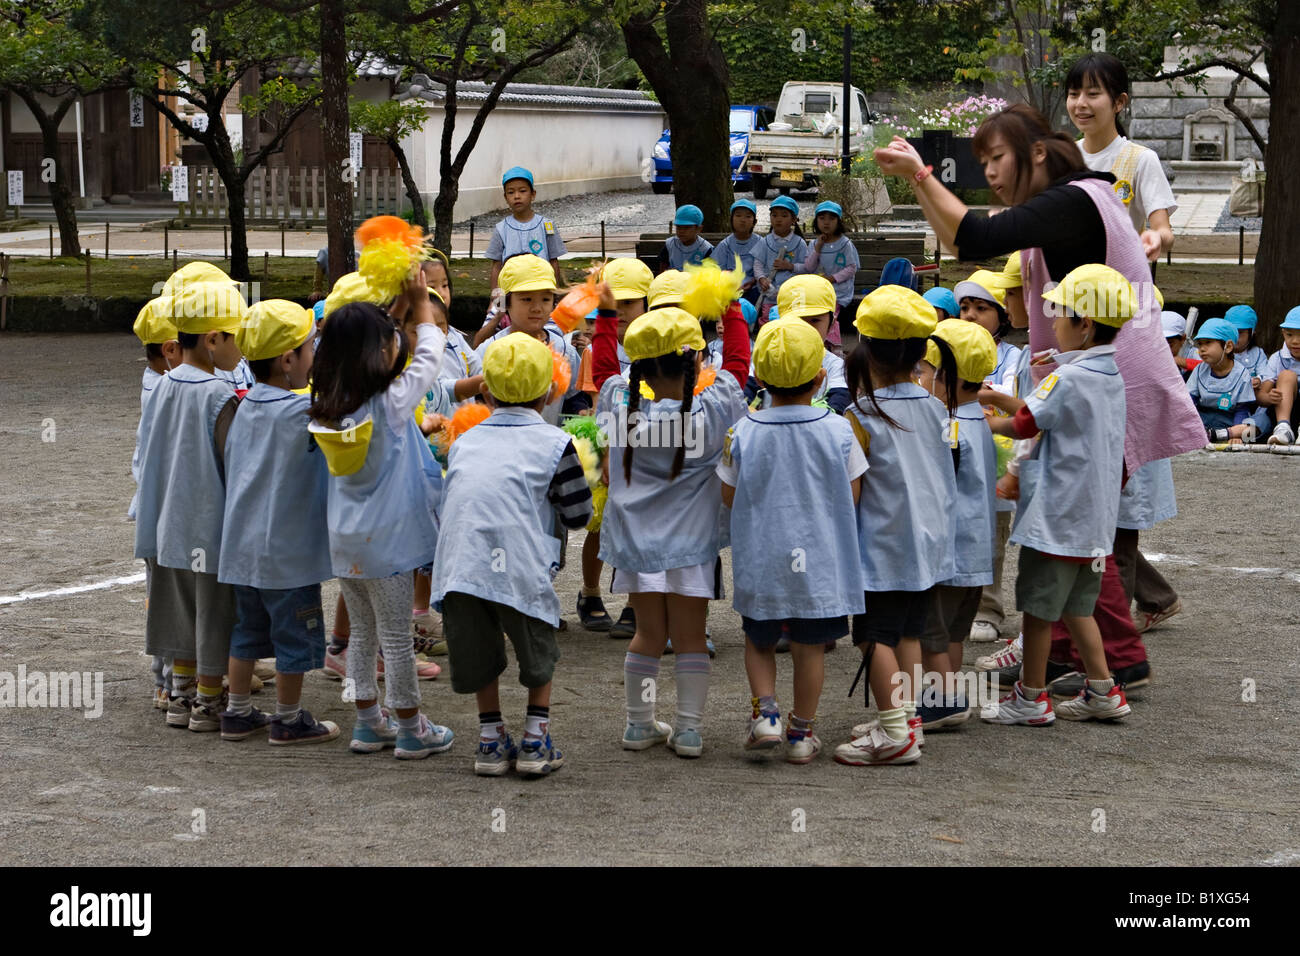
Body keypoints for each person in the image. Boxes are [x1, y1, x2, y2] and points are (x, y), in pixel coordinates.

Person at [874, 103, 1205, 696]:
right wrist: (917, 180)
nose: (990, 174)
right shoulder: (1076, 197)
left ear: (1037, 155)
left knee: (1071, 527)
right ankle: (1075, 656)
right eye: (982, 163)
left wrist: (922, 175)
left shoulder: (1070, 200)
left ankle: (1112, 660)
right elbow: (960, 243)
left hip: (1104, 375)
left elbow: (972, 234)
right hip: (1102, 371)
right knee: (1075, 523)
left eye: (996, 159)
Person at [593, 299, 751, 758]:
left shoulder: (616, 405)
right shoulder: (711, 410)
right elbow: (738, 367)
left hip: (636, 546)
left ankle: (639, 724)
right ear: (696, 360)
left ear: (637, 365)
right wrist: (732, 312)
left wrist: (606, 317)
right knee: (688, 639)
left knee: (647, 634)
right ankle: (688, 730)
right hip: (691, 548)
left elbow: (606, 368)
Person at [981, 264, 1137, 724]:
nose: (1053, 322)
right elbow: (1045, 414)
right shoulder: (1110, 376)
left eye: (1061, 314)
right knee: (1077, 608)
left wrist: (985, 421)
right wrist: (1001, 401)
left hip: (1056, 519)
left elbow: (1027, 423)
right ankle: (1104, 691)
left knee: (1037, 609)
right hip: (1093, 523)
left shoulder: (1067, 378)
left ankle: (1031, 698)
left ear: (1084, 323)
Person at [432, 332, 593, 777]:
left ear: (485, 391)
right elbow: (579, 515)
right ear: (548, 393)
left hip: (460, 568)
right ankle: (535, 740)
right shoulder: (554, 443)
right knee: (538, 651)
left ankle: (489, 740)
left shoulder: (465, 441)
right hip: (519, 566)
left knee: (480, 652)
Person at [308, 276, 455, 760]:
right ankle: (413, 727)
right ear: (380, 354)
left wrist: (394, 311)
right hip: (388, 545)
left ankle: (370, 723)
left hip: (346, 543)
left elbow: (364, 345)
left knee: (364, 636)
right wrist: (419, 305)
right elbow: (431, 354)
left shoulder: (328, 402)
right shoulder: (391, 404)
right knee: (394, 640)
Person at [719, 319, 865, 764]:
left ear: (759, 379)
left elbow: (728, 493)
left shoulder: (743, 431)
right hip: (819, 565)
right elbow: (854, 493)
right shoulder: (839, 429)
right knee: (809, 648)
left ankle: (765, 714)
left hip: (762, 561)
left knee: (759, 641)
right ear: (821, 378)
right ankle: (802, 733)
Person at [833, 286, 952, 767]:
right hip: (926, 544)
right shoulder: (932, 405)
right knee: (907, 633)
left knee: (873, 636)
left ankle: (895, 734)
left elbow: (850, 494)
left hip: (882, 547)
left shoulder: (859, 416)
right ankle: (907, 717)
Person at [217, 300, 339, 745]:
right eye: (311, 348)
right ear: (288, 360)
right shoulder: (299, 413)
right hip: (287, 558)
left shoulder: (243, 405)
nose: (315, 356)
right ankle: (288, 719)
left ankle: (237, 712)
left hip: (241, 552)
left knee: (245, 633)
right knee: (295, 638)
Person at [134, 276, 247, 733]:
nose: (240, 347)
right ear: (212, 338)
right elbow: (232, 460)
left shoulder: (162, 383)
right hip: (207, 523)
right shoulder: (219, 394)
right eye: (234, 335)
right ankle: (207, 702)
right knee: (214, 613)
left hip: (165, 520)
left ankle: (179, 696)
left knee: (179, 610)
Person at [916, 319, 999, 730]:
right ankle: (946, 697)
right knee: (952, 633)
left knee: (933, 633)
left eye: (925, 372)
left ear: (945, 379)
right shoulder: (977, 419)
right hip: (975, 553)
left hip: (948, 553)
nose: (921, 379)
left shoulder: (948, 428)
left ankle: (940, 701)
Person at [576, 257, 652, 636]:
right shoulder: (604, 349)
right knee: (600, 525)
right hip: (609, 444)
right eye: (615, 305)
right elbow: (604, 383)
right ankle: (590, 591)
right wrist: (605, 317)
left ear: (647, 305)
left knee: (639, 527)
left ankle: (635, 604)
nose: (622, 313)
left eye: (629, 304)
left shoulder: (661, 342)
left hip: (650, 448)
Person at [1066, 52, 1176, 260]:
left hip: (1121, 287)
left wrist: (1156, 238)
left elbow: (1164, 231)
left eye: (1093, 94)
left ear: (1119, 102)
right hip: (1066, 287)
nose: (1080, 103)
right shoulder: (1062, 158)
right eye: (1073, 94)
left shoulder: (1141, 159)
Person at [130, 297, 182, 711]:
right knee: (169, 600)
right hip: (166, 509)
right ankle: (167, 682)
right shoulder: (169, 387)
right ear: (169, 349)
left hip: (156, 507)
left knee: (163, 596)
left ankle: (167, 680)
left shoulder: (156, 381)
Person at [475, 254, 585, 427]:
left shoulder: (564, 350)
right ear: (505, 303)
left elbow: (575, 397)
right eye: (527, 299)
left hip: (550, 447)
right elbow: (476, 401)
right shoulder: (488, 350)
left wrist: (580, 414)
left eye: (546, 299)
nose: (537, 308)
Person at [747, 275, 850, 413]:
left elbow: (838, 406)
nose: (806, 328)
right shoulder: (764, 357)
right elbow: (745, 397)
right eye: (798, 320)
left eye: (814, 320)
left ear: (831, 324)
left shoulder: (835, 366)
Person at [485, 166, 565, 291]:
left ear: (533, 194)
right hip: (512, 292)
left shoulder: (547, 225)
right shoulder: (501, 229)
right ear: (505, 197)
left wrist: (556, 293)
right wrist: (496, 300)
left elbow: (553, 261)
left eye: (522, 191)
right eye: (511, 192)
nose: (517, 196)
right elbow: (496, 266)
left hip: (541, 288)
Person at [797, 200, 858, 349]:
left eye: (831, 218)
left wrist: (832, 278)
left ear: (838, 221)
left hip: (838, 292)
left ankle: (834, 346)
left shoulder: (845, 244)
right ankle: (814, 343)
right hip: (817, 290)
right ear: (816, 221)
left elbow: (851, 268)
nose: (826, 222)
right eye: (822, 218)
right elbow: (809, 267)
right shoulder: (814, 244)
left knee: (829, 314)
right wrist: (818, 248)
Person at [1187, 317, 1258, 444]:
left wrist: (1235, 435)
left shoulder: (1242, 374)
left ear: (1228, 346)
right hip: (1202, 422)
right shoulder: (1199, 370)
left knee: (1250, 429)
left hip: (1229, 424)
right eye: (1200, 344)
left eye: (1208, 342)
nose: (1201, 349)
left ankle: (1221, 435)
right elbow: (1189, 402)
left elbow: (1242, 409)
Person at [752, 196, 808, 322]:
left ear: (793, 219)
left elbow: (807, 267)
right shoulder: (765, 242)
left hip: (792, 295)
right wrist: (761, 279)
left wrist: (790, 266)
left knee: (790, 320)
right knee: (768, 319)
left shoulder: (799, 243)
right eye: (774, 215)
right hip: (769, 293)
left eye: (784, 216)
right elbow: (758, 264)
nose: (778, 219)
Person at [1262, 306, 1300, 445]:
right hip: (1284, 411)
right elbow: (1262, 394)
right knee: (1287, 375)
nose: (1295, 341)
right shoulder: (1277, 358)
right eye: (1290, 335)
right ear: (1283, 333)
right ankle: (1283, 429)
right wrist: (1268, 397)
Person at [711, 199, 761, 302]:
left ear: (754, 222)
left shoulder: (761, 243)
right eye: (738, 216)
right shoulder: (725, 245)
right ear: (731, 220)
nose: (743, 220)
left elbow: (766, 269)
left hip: (753, 289)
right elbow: (716, 271)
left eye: (748, 216)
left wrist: (753, 281)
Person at [658, 204, 714, 272]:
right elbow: (662, 271)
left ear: (699, 229)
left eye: (687, 227)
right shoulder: (670, 245)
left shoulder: (706, 249)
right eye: (678, 227)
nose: (681, 231)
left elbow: (709, 275)